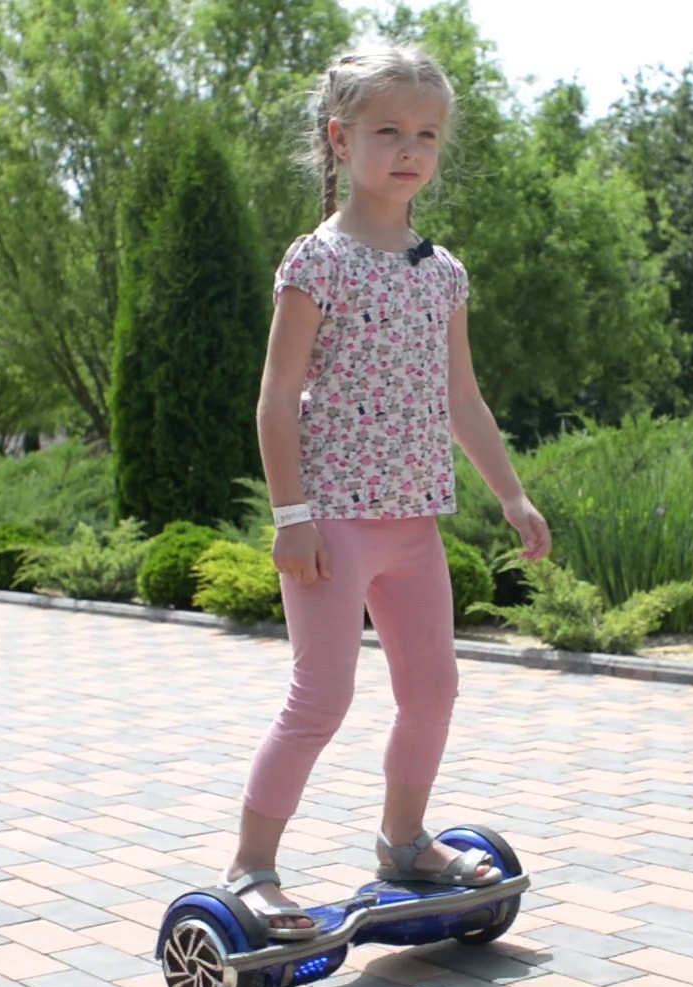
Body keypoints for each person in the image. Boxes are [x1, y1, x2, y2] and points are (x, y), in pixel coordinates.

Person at [219, 44, 552, 940]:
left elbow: (463, 398)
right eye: (387, 131)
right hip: (331, 519)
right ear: (341, 139)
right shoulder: (316, 261)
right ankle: (252, 865)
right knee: (320, 699)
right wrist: (291, 516)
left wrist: (512, 496)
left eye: (427, 134)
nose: (409, 149)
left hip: (415, 522)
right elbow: (276, 396)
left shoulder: (443, 273)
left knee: (433, 689)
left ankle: (403, 840)